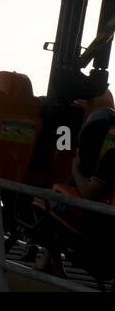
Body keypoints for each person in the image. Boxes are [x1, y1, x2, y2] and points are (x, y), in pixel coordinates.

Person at [35, 107, 115, 276]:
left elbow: (89, 194)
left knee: (48, 201)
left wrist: (76, 168)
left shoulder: (112, 157)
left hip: (102, 238)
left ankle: (54, 264)